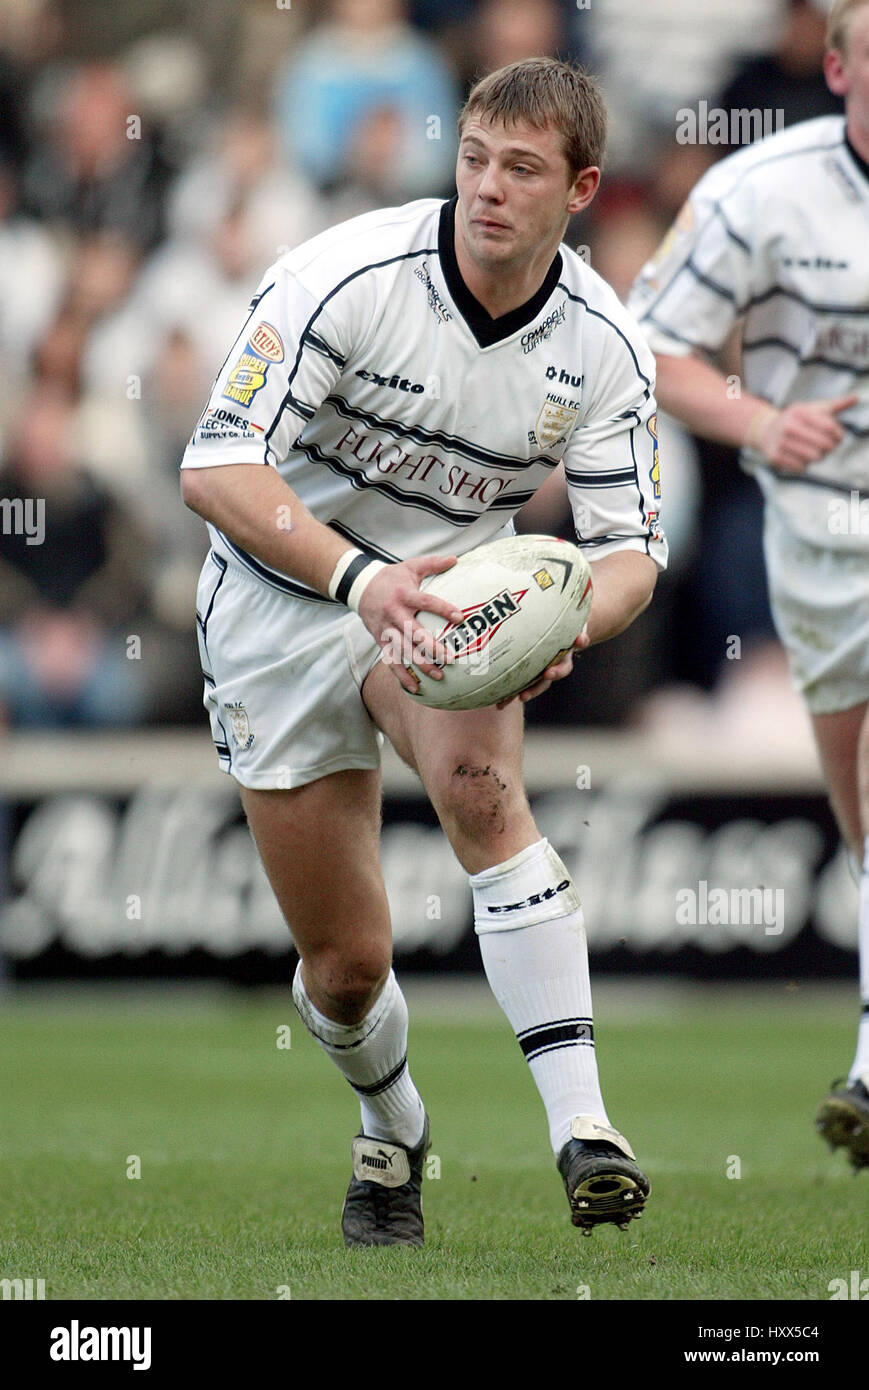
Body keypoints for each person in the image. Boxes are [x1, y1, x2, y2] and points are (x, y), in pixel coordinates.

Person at [181, 57, 666, 1245]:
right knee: (345, 970)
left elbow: (629, 552)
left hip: (450, 604)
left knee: (481, 793)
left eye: (522, 170)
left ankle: (584, 1130)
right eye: (474, 160)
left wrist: (572, 625)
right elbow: (212, 466)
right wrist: (357, 579)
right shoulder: (340, 277)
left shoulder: (605, 346)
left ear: (582, 188)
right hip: (281, 598)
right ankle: (391, 1121)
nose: (488, 190)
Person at [627, 0, 869, 1169]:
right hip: (821, 538)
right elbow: (648, 346)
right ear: (835, 66)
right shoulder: (757, 190)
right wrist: (763, 422)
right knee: (858, 810)